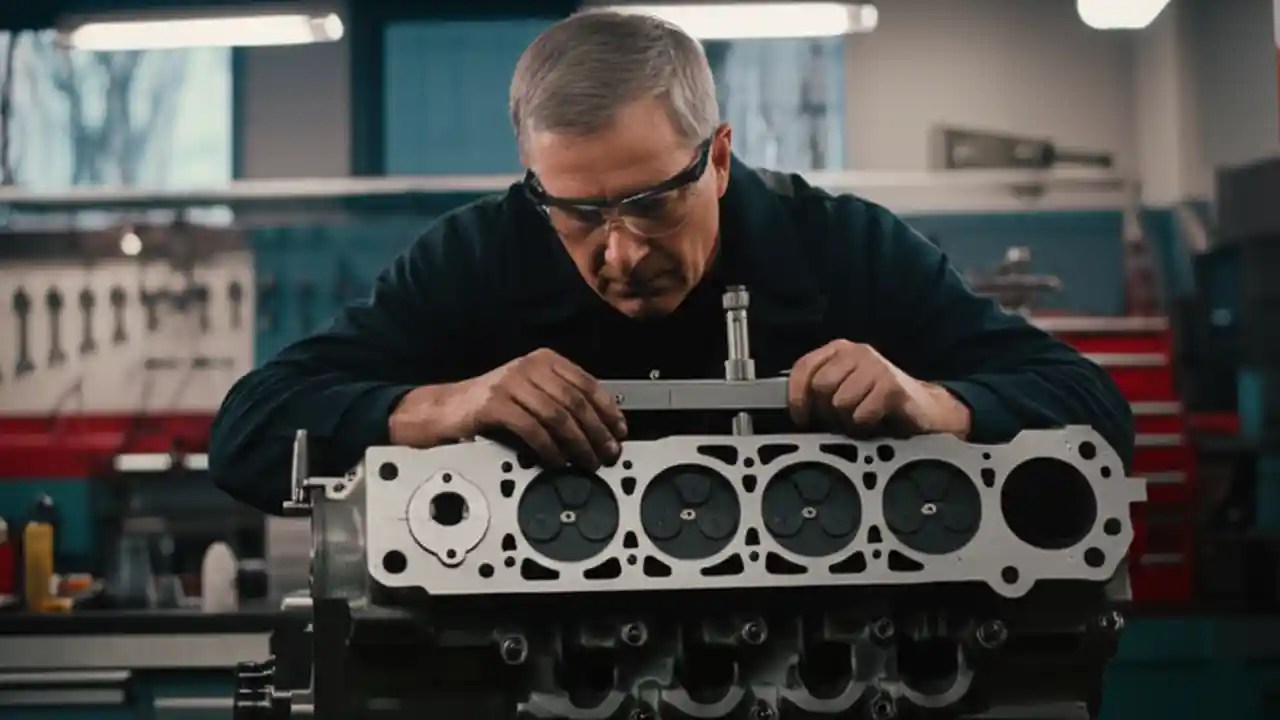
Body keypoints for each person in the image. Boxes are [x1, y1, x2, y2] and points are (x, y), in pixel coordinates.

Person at [209, 11, 1133, 514]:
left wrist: (934, 403)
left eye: (651, 202)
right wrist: (449, 404)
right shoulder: (478, 254)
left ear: (719, 156)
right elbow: (248, 436)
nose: (618, 251)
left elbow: (1095, 413)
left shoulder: (844, 245)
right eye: (574, 211)